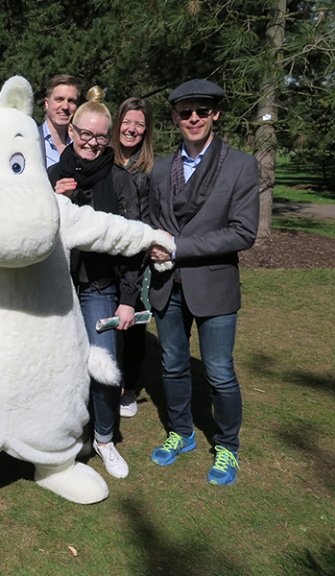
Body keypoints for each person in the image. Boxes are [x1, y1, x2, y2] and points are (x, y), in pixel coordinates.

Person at [148, 79, 259, 486]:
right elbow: (154, 223)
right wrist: (153, 245)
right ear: (175, 117)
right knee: (173, 366)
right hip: (167, 286)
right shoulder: (161, 168)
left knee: (218, 372)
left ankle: (227, 445)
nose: (193, 118)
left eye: (201, 110)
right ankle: (181, 431)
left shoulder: (241, 165)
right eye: (184, 112)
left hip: (214, 286)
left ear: (215, 114)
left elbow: (242, 232)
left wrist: (178, 247)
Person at [48, 86, 147, 480]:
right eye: (84, 134)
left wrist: (127, 299)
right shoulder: (52, 174)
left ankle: (104, 438)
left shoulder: (120, 181)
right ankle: (68, 437)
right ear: (71, 131)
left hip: (100, 288)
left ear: (109, 138)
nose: (91, 143)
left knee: (103, 365)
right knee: (61, 368)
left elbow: (133, 241)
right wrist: (53, 201)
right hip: (57, 286)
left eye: (99, 137)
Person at [110, 97, 155, 418]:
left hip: (138, 257)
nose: (132, 129)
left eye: (139, 124)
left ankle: (128, 387)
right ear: (117, 123)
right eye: (128, 122)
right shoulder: (103, 160)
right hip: (104, 256)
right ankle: (103, 383)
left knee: (134, 327)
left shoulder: (151, 168)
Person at [40, 75, 80, 168]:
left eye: (71, 101)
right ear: (47, 103)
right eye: (59, 99)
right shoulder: (32, 140)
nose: (65, 107)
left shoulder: (80, 144)